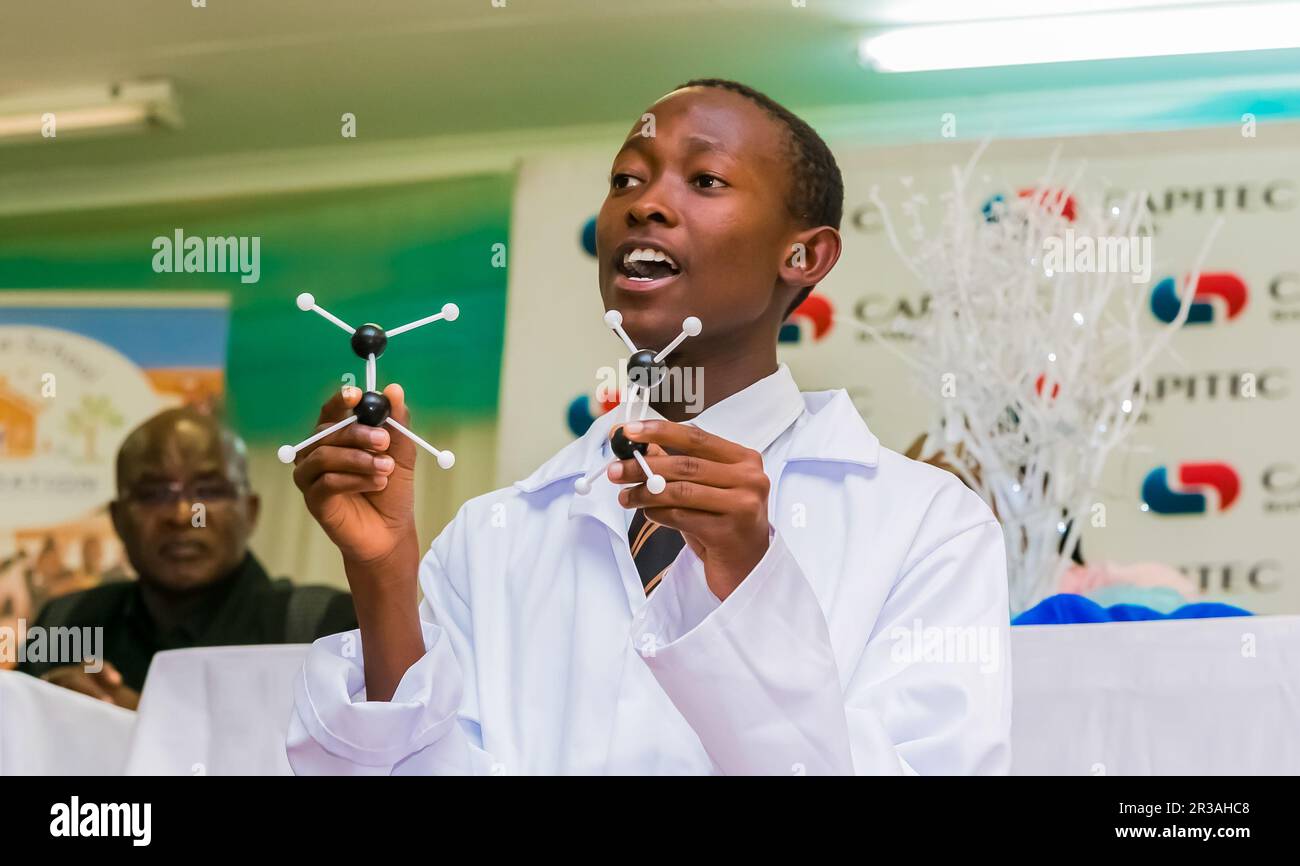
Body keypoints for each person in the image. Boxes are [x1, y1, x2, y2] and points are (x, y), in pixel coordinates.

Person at [286, 79, 1011, 775]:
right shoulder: (491, 537)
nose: (646, 205)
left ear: (804, 256)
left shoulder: (928, 527)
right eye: (626, 180)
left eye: (705, 180)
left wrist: (749, 584)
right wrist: (383, 579)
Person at [19, 408, 357, 708]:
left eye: (208, 491)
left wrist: (140, 724)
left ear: (250, 511)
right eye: (154, 494)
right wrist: (43, 710)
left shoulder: (324, 629)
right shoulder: (64, 622)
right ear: (118, 518)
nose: (182, 515)